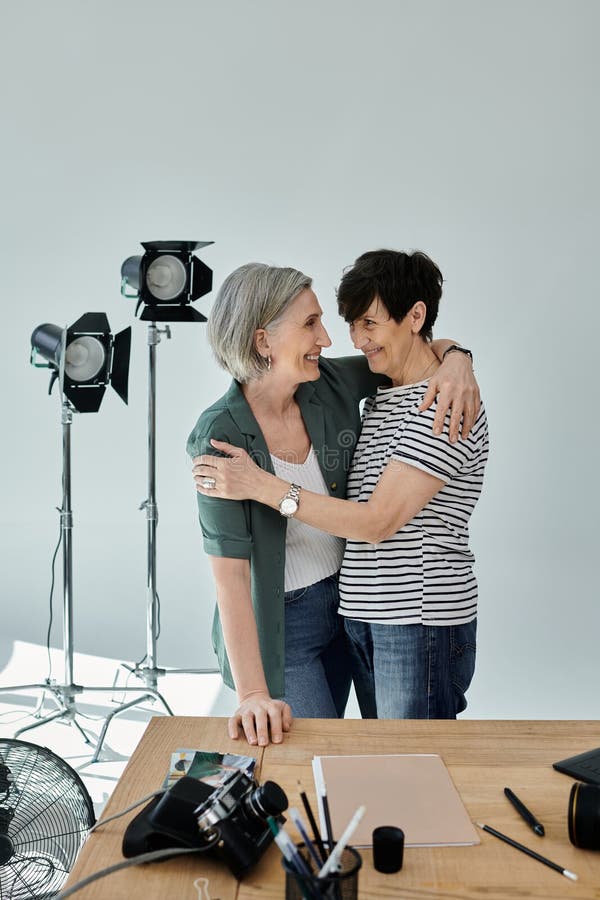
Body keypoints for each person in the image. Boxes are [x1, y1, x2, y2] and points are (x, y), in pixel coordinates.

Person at [187, 259, 480, 745]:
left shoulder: (327, 384)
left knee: (380, 755)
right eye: (310, 324)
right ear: (263, 341)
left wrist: (459, 358)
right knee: (310, 756)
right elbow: (231, 578)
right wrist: (252, 693)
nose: (328, 339)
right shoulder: (219, 435)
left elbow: (414, 351)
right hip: (285, 626)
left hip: (351, 611)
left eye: (324, 321)